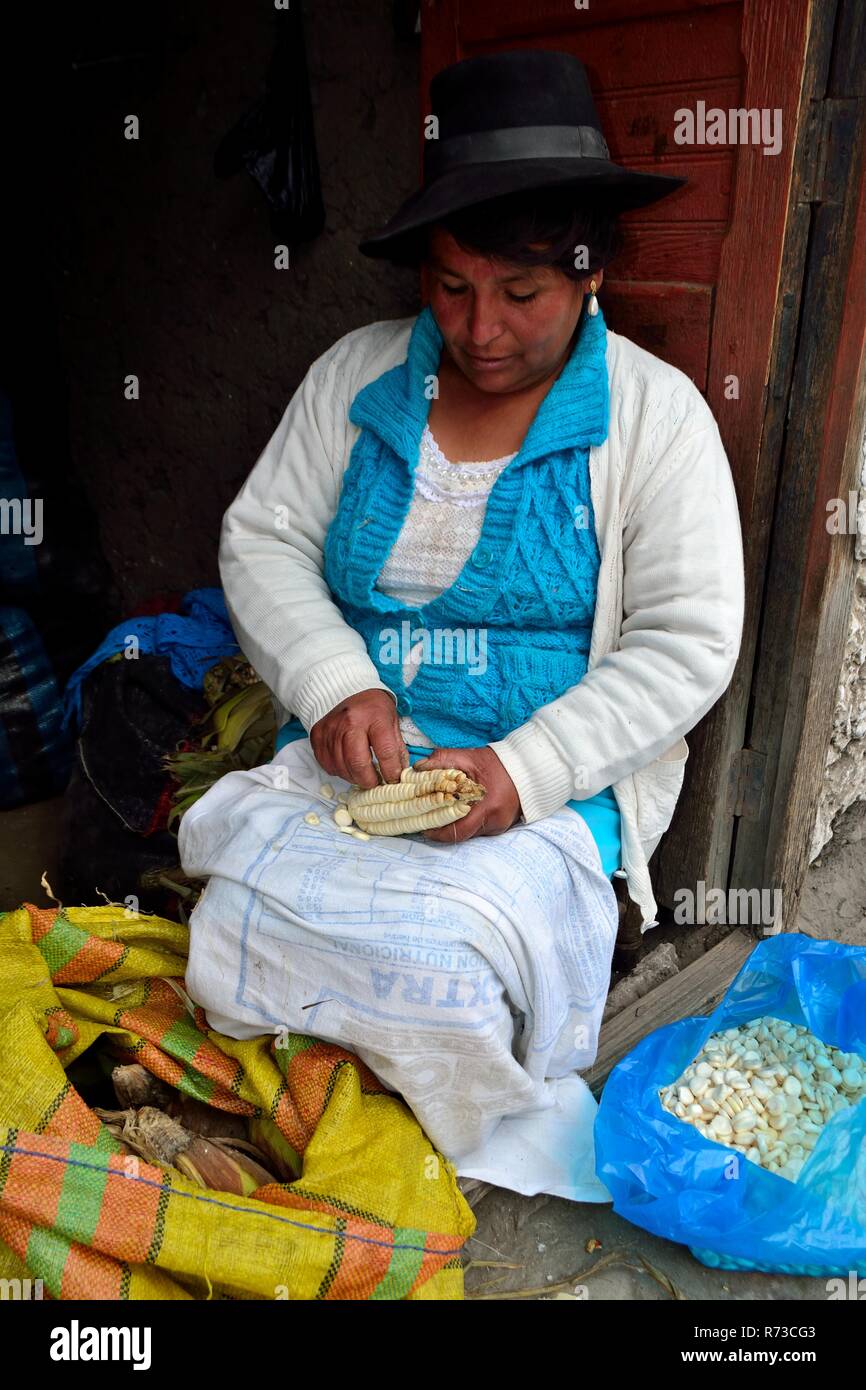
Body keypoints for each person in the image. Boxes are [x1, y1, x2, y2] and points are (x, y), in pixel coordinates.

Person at [179, 49, 745, 1199]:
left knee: (427, 964)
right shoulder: (356, 376)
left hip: (544, 796)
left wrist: (522, 769)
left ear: (589, 275)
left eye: (519, 294)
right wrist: (337, 682)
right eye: (448, 287)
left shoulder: (654, 419)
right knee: (232, 924)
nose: (477, 330)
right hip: (363, 772)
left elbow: (689, 638)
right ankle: (322, 1115)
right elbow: (263, 538)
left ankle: (411, 1141)